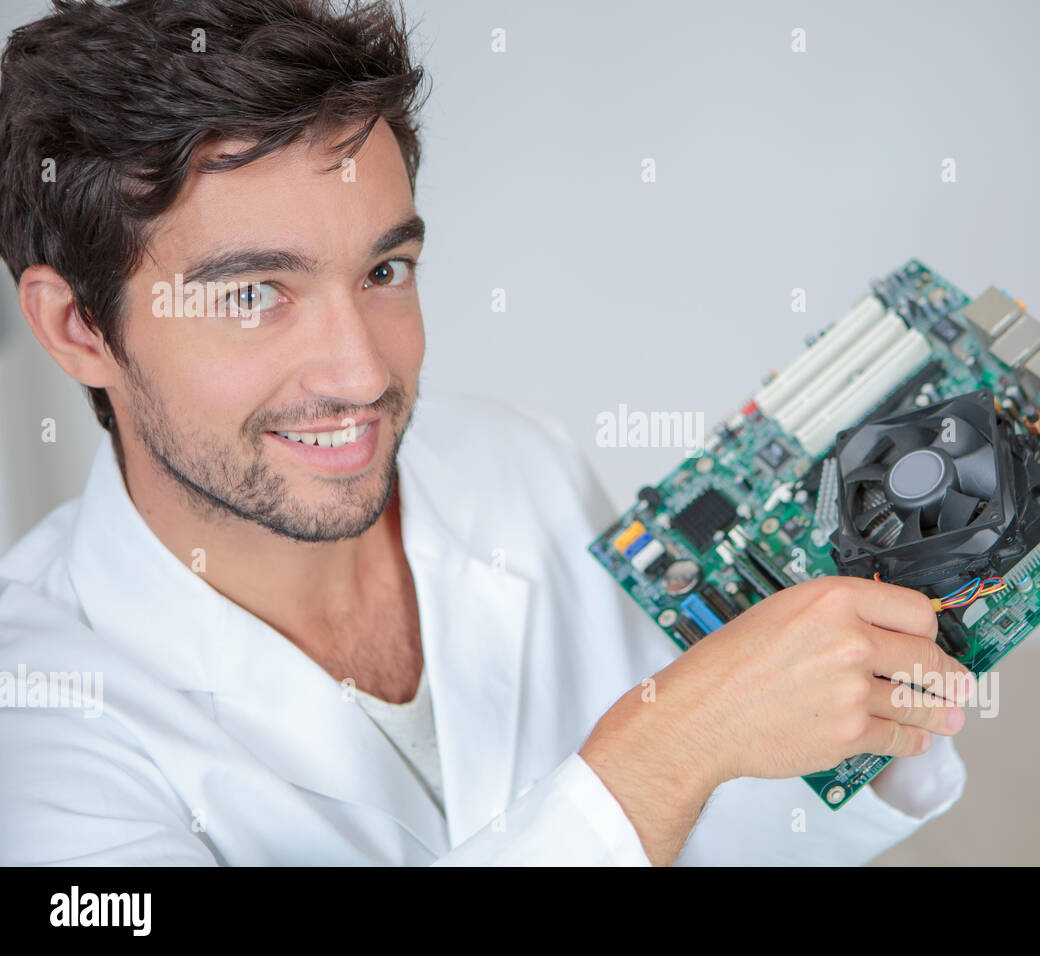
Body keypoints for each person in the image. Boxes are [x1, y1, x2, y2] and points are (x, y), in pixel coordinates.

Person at [0, 0, 970, 866]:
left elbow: (700, 824)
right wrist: (664, 744)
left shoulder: (520, 467)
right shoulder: (35, 718)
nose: (363, 374)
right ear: (77, 326)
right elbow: (664, 770)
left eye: (385, 271)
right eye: (256, 293)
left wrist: (848, 715)